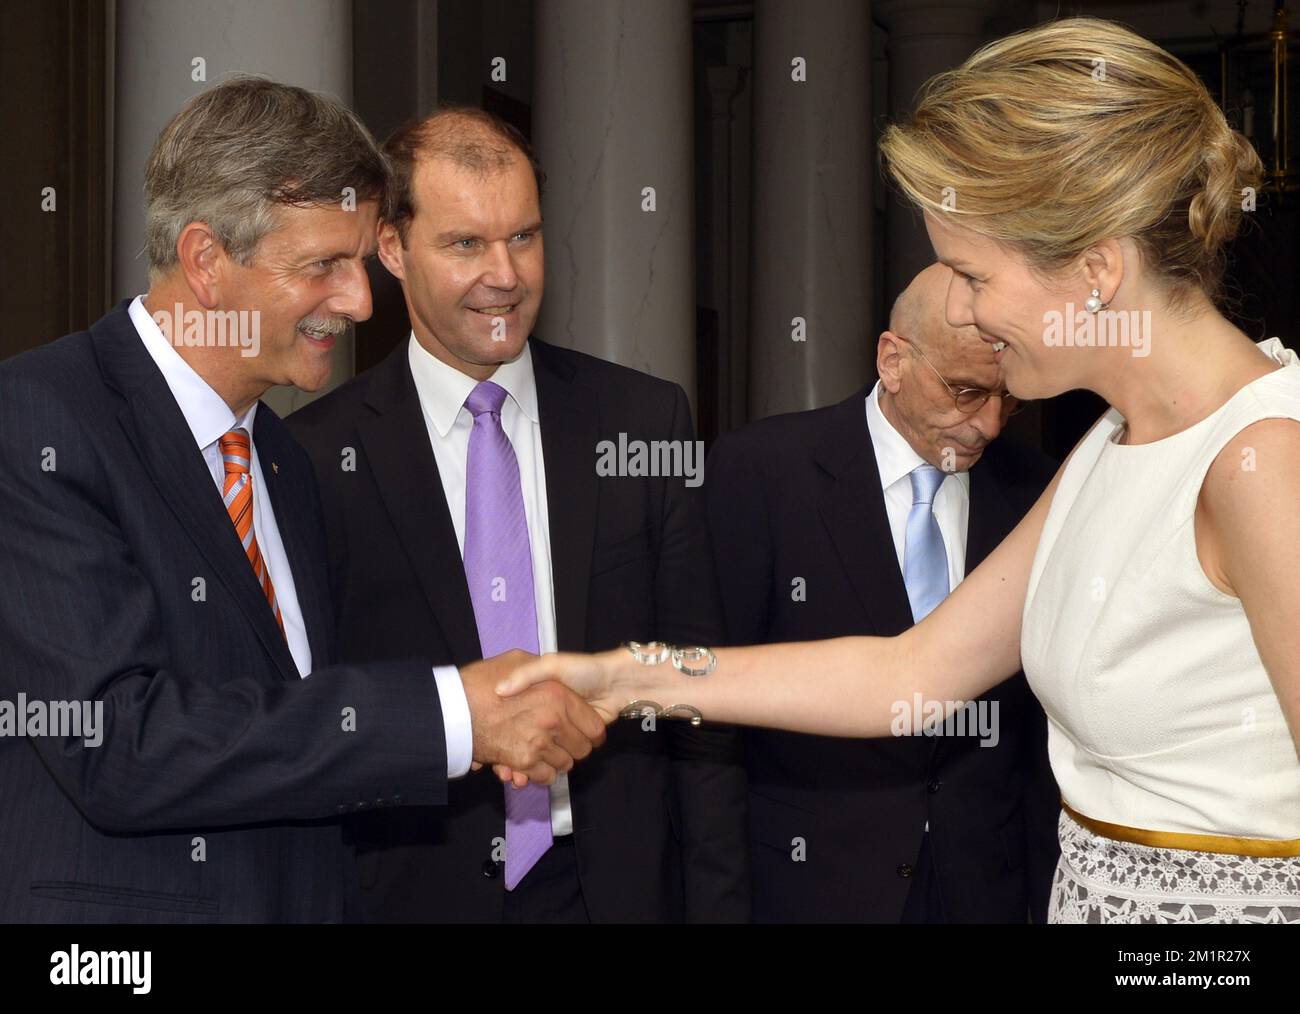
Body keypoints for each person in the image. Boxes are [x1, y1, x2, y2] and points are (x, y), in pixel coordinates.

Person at [493, 17, 1300, 924]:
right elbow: (906, 676)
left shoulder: (1260, 458)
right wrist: (629, 676)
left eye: (972, 272)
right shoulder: (1114, 441)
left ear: (1096, 272)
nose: (969, 313)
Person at [0, 76, 605, 923]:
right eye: (324, 265)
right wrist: (451, 715)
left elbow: (293, 736)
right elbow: (117, 744)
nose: (360, 302)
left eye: (359, 263)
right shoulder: (37, 420)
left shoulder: (284, 457)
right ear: (208, 261)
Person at [287, 106, 750, 923]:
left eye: (525, 238)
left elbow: (697, 696)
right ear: (392, 248)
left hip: (611, 892)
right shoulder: (314, 458)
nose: (505, 274)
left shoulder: (642, 421)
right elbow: (315, 720)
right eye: (466, 244)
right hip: (410, 896)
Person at [707, 261, 1060, 923]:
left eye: (1006, 399)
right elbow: (717, 714)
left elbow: (1041, 728)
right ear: (893, 361)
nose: (986, 424)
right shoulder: (762, 472)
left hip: (987, 891)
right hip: (808, 890)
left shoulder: (1037, 491)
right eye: (963, 392)